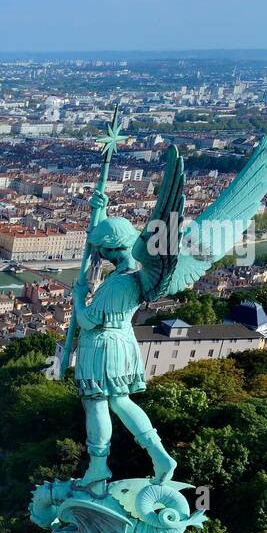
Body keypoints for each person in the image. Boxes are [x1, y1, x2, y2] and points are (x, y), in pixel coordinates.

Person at [73, 190, 176, 488]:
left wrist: (79, 299)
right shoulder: (135, 271)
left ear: (108, 249)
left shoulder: (119, 283)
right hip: (123, 342)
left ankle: (98, 466)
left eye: (99, 249)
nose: (96, 255)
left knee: (96, 403)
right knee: (121, 401)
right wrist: (101, 212)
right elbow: (111, 241)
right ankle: (159, 456)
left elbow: (88, 320)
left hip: (101, 346)